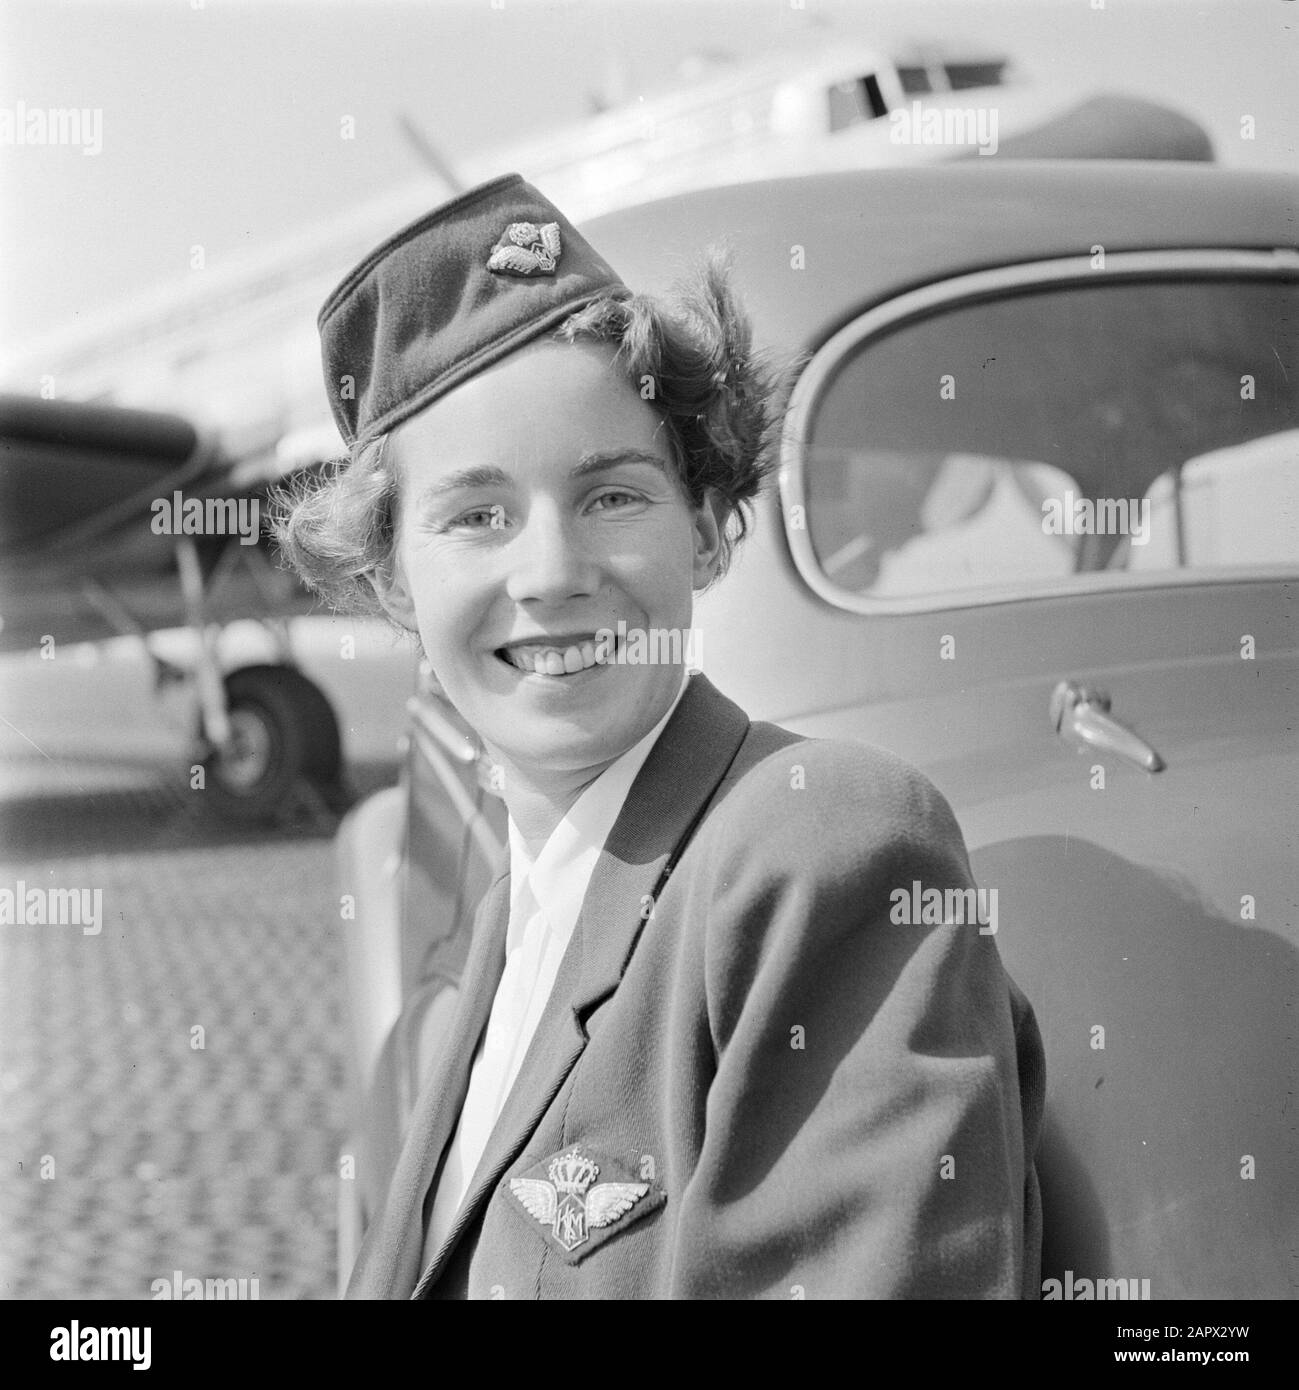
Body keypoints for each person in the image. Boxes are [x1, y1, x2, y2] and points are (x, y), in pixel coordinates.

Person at [273, 172, 1045, 1299]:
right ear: (395, 583)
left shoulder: (818, 847)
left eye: (614, 496)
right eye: (477, 516)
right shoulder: (472, 981)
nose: (551, 574)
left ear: (705, 527)